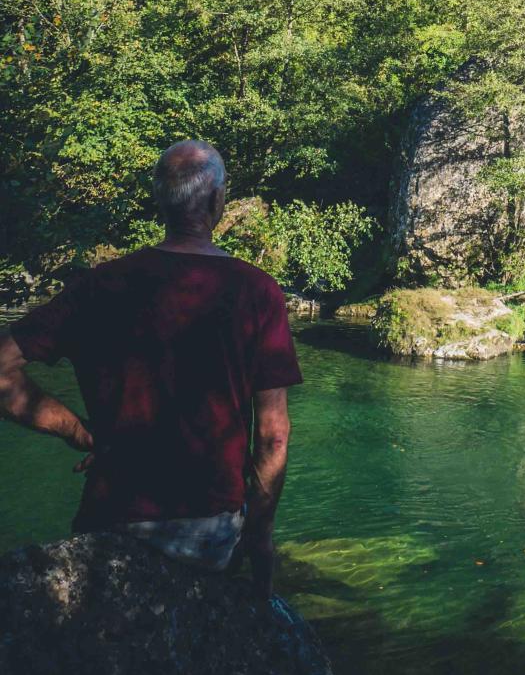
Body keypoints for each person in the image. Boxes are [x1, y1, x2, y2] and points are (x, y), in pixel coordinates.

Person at [0, 140, 301, 597]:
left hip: (111, 518)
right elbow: (273, 436)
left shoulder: (100, 285)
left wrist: (76, 432)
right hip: (208, 532)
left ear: (159, 202)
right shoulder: (258, 292)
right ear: (218, 202)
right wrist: (259, 533)